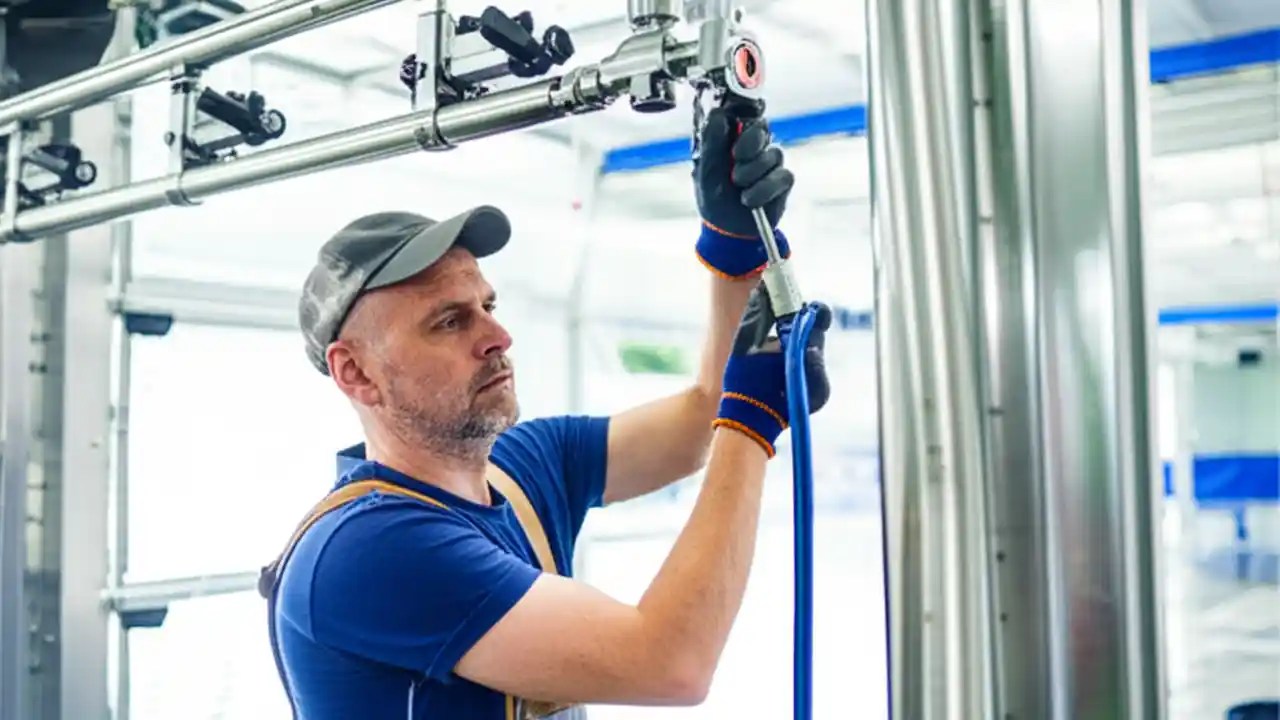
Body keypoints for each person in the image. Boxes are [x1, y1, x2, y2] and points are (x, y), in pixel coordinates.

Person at [262, 100, 833, 719]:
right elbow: (671, 663)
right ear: (356, 372)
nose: (497, 337)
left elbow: (702, 418)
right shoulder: (368, 551)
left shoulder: (520, 464)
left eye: (488, 305)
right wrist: (750, 416)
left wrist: (733, 252)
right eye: (449, 321)